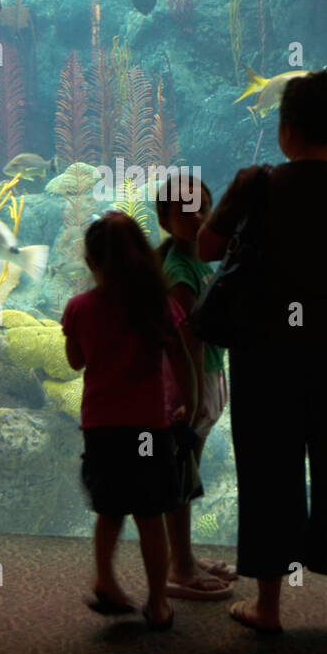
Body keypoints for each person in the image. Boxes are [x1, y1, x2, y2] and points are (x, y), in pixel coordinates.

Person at [198, 69, 327, 637]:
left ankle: (268, 606)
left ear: (287, 130)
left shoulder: (256, 183)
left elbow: (206, 246)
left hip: (268, 352)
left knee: (269, 471)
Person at [62, 210, 197, 631]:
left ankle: (106, 579)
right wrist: (189, 404)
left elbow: (75, 361)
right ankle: (158, 603)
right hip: (147, 431)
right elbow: (182, 358)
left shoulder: (80, 308)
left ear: (91, 263)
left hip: (102, 430)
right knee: (151, 515)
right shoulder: (159, 305)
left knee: (109, 511)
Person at [155, 174, 237, 601]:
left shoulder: (198, 263)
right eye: (185, 210)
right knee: (180, 476)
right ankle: (181, 568)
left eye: (204, 207)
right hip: (189, 389)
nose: (197, 216)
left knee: (187, 474)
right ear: (165, 220)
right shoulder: (180, 274)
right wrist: (188, 401)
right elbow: (187, 341)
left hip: (205, 379)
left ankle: (182, 556)